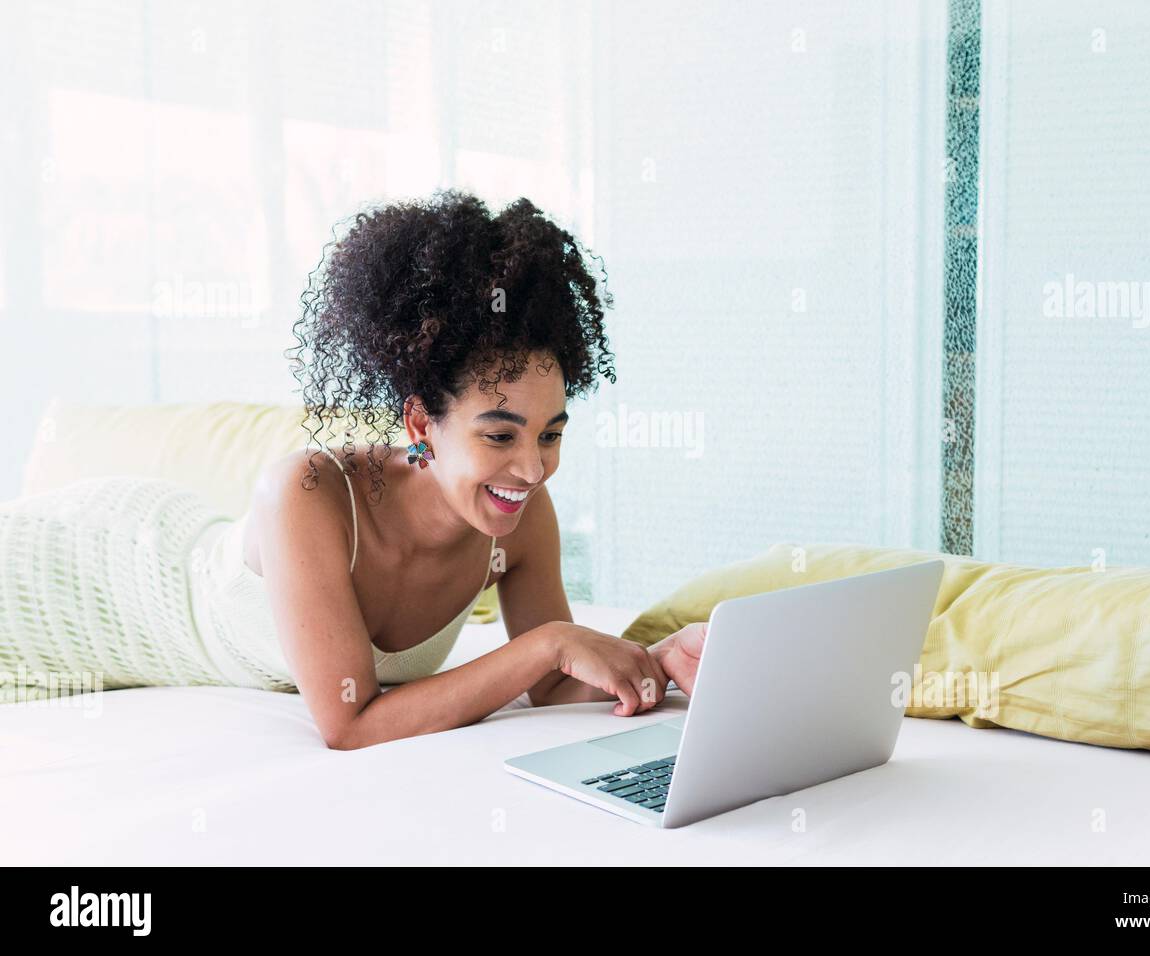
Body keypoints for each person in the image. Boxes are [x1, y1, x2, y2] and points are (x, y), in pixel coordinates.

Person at [0, 188, 707, 748]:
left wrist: (658, 661)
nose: (532, 468)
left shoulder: (518, 520)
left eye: (552, 434)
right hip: (71, 574)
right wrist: (551, 643)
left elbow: (551, 684)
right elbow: (351, 724)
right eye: (500, 435)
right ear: (421, 422)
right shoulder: (305, 493)